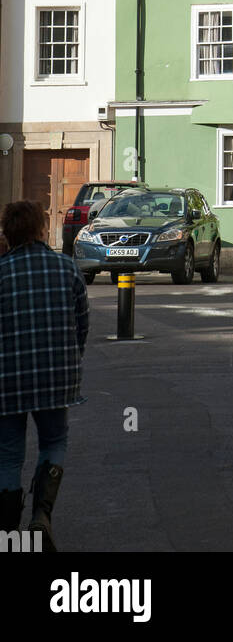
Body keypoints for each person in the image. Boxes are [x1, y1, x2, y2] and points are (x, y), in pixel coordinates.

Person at [0, 200, 89, 549]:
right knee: (53, 442)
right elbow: (82, 324)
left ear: (8, 234)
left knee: (8, 455)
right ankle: (41, 516)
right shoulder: (67, 268)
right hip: (57, 376)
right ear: (40, 230)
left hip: (7, 380)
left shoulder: (2, 272)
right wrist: (69, 360)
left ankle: (8, 533)